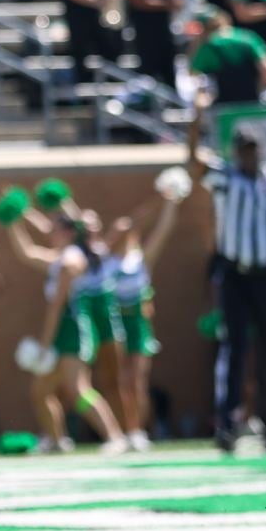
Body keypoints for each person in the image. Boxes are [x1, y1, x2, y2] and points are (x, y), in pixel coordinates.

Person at [191, 124, 266, 452]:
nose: (250, 155)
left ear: (261, 150)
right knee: (234, 349)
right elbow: (194, 165)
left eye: (254, 148)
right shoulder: (226, 179)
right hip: (236, 276)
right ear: (235, 152)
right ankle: (228, 425)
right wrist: (196, 121)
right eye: (244, 149)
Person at [5, 205, 128, 455]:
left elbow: (57, 307)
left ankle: (115, 437)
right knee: (40, 391)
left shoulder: (70, 261)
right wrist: (12, 221)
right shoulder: (61, 256)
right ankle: (56, 440)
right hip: (64, 328)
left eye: (56, 230)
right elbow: (27, 253)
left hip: (73, 328)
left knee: (77, 388)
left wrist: (45, 343)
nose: (50, 233)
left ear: (70, 233)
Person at [104, 171, 189, 449]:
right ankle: (123, 432)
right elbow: (124, 226)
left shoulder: (141, 260)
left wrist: (168, 201)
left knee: (136, 379)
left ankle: (138, 430)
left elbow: (163, 228)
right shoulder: (106, 261)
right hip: (116, 322)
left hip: (138, 322)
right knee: (118, 381)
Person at [190, 7, 266, 104]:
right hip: (253, 102)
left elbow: (193, 76)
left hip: (224, 106)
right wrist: (258, 90)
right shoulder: (248, 37)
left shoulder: (208, 46)